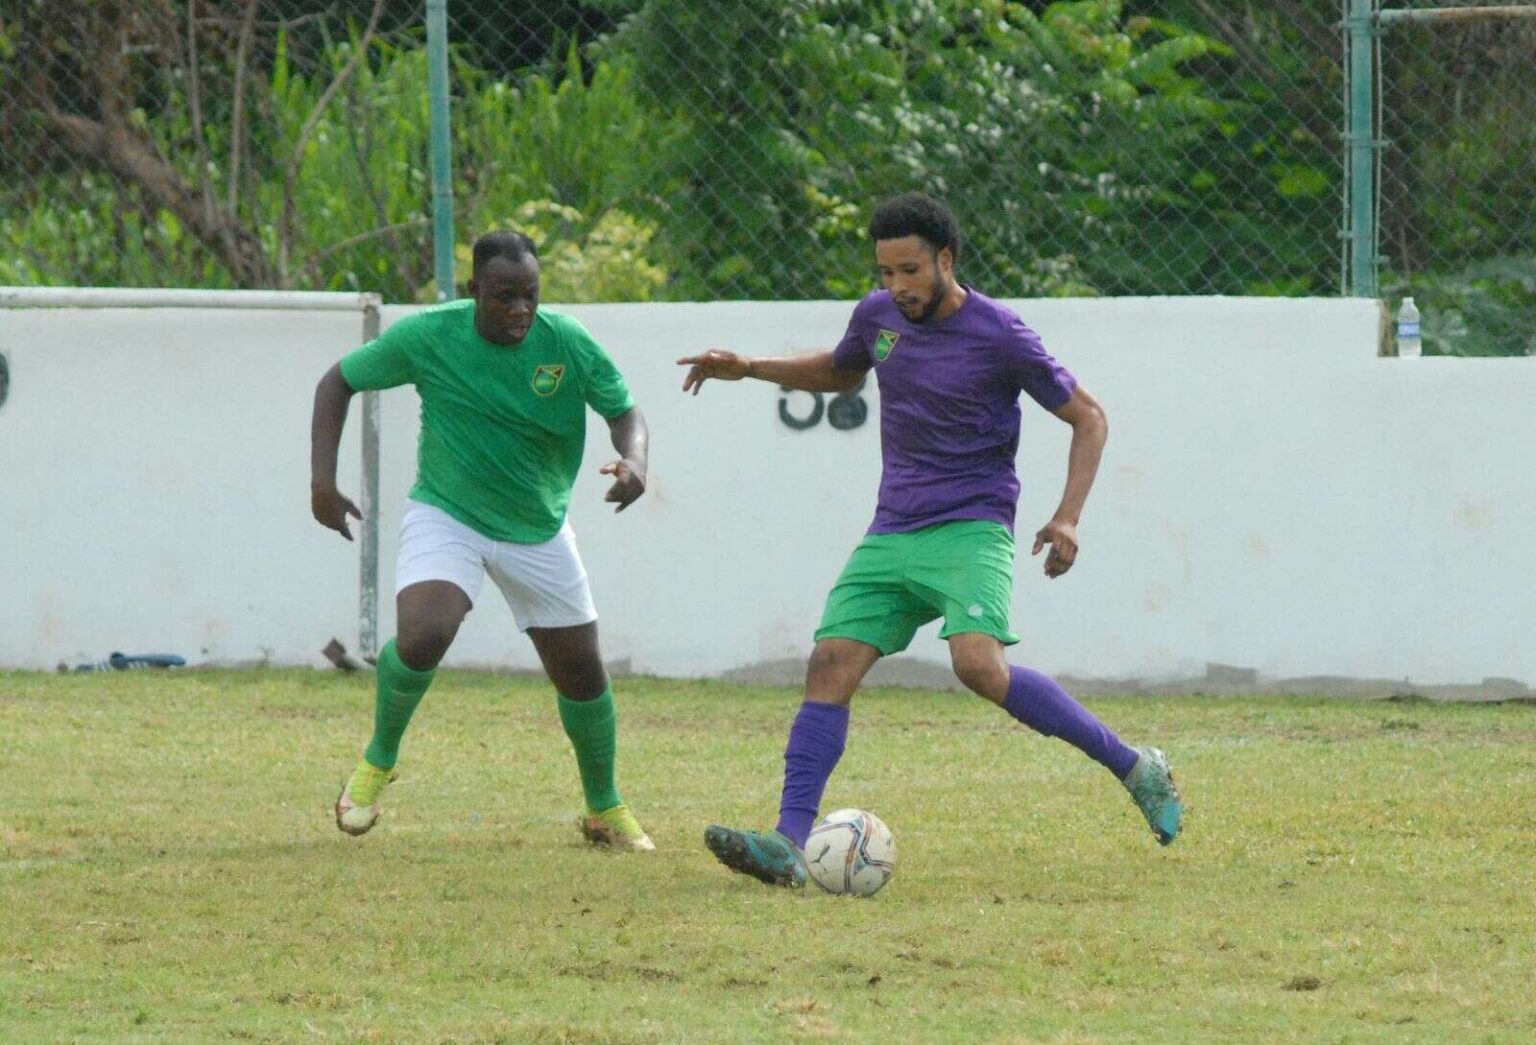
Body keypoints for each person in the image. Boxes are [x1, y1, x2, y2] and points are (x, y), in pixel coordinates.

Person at [677, 193, 1182, 887]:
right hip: (893, 526)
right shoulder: (879, 316)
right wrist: (752, 367)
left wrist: (1067, 516)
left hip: (972, 524)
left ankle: (1134, 764)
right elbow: (841, 370)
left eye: (910, 269)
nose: (897, 287)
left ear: (946, 259)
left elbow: (1088, 417)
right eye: (885, 271)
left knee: (978, 666)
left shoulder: (1001, 333)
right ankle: (788, 844)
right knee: (829, 661)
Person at [310, 230, 654, 850]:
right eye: (503, 298)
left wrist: (634, 463)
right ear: (474, 292)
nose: (520, 311)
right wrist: (322, 486)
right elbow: (336, 382)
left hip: (538, 528)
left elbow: (625, 412)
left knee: (581, 674)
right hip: (450, 513)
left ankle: (605, 807)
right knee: (425, 634)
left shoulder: (565, 340)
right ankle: (376, 763)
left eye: (530, 296)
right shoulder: (429, 336)